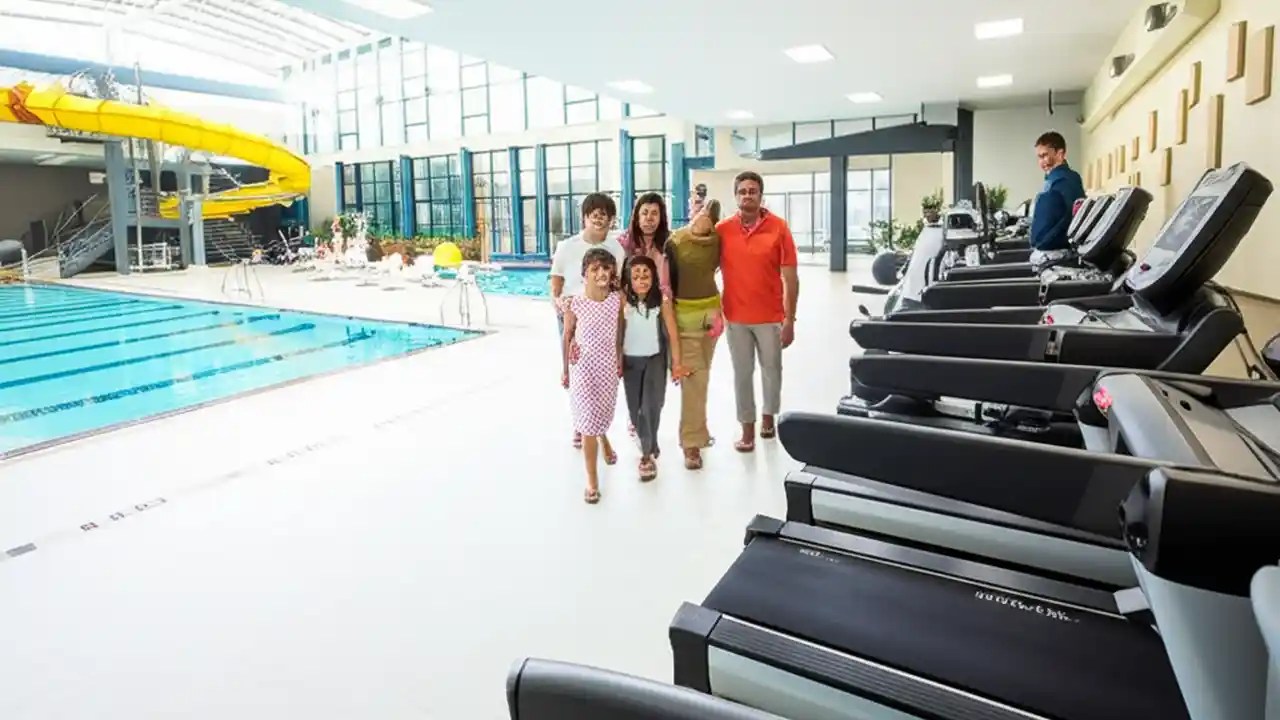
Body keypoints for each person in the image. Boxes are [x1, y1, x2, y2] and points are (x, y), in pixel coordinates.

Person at [717, 171, 798, 453]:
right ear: (736, 196)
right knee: (742, 373)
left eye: (753, 190)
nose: (747, 195)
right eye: (742, 191)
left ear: (761, 195)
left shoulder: (779, 228)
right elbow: (703, 265)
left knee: (771, 371)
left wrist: (790, 319)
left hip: (770, 316)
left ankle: (768, 417)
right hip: (735, 317)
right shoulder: (722, 230)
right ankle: (747, 428)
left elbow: (790, 278)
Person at [551, 193, 625, 449]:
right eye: (594, 213)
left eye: (604, 214)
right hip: (574, 313)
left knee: (600, 374)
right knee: (577, 371)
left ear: (611, 219)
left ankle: (596, 426)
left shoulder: (616, 249)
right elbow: (556, 280)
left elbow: (618, 282)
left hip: (603, 313)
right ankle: (581, 426)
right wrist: (559, 302)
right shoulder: (567, 246)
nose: (599, 218)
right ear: (585, 217)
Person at [664, 199, 723, 470]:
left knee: (703, 377)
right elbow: (666, 284)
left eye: (707, 214)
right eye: (697, 210)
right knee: (693, 379)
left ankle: (699, 430)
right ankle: (691, 443)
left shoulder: (718, 242)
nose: (701, 216)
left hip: (711, 314)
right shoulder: (675, 242)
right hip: (684, 317)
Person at [619, 254, 689, 481]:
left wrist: (676, 364)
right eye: (636, 275)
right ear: (628, 278)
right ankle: (649, 440)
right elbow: (616, 334)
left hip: (655, 361)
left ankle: (646, 455)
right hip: (630, 362)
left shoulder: (662, 302)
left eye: (646, 274)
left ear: (654, 276)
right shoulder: (622, 301)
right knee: (634, 409)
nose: (641, 279)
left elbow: (673, 335)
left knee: (651, 406)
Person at [561, 248, 622, 504]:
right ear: (584, 274)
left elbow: (620, 333)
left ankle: (603, 437)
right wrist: (565, 369)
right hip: (582, 367)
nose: (601, 273)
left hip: (607, 366)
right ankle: (592, 481)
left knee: (602, 412)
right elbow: (567, 336)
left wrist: (620, 359)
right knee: (587, 419)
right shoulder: (574, 303)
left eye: (606, 268)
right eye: (595, 269)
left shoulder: (618, 300)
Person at [1029, 131, 1086, 263]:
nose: (1042, 162)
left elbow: (1065, 219)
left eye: (1044, 156)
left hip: (1054, 254)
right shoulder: (1061, 179)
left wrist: (1041, 242)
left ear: (1060, 154)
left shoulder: (1062, 181)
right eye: (1039, 157)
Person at [618, 192, 673, 298]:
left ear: (661, 218)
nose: (649, 218)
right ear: (637, 217)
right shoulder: (623, 244)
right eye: (645, 213)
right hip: (630, 304)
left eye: (654, 213)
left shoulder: (671, 243)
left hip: (663, 303)